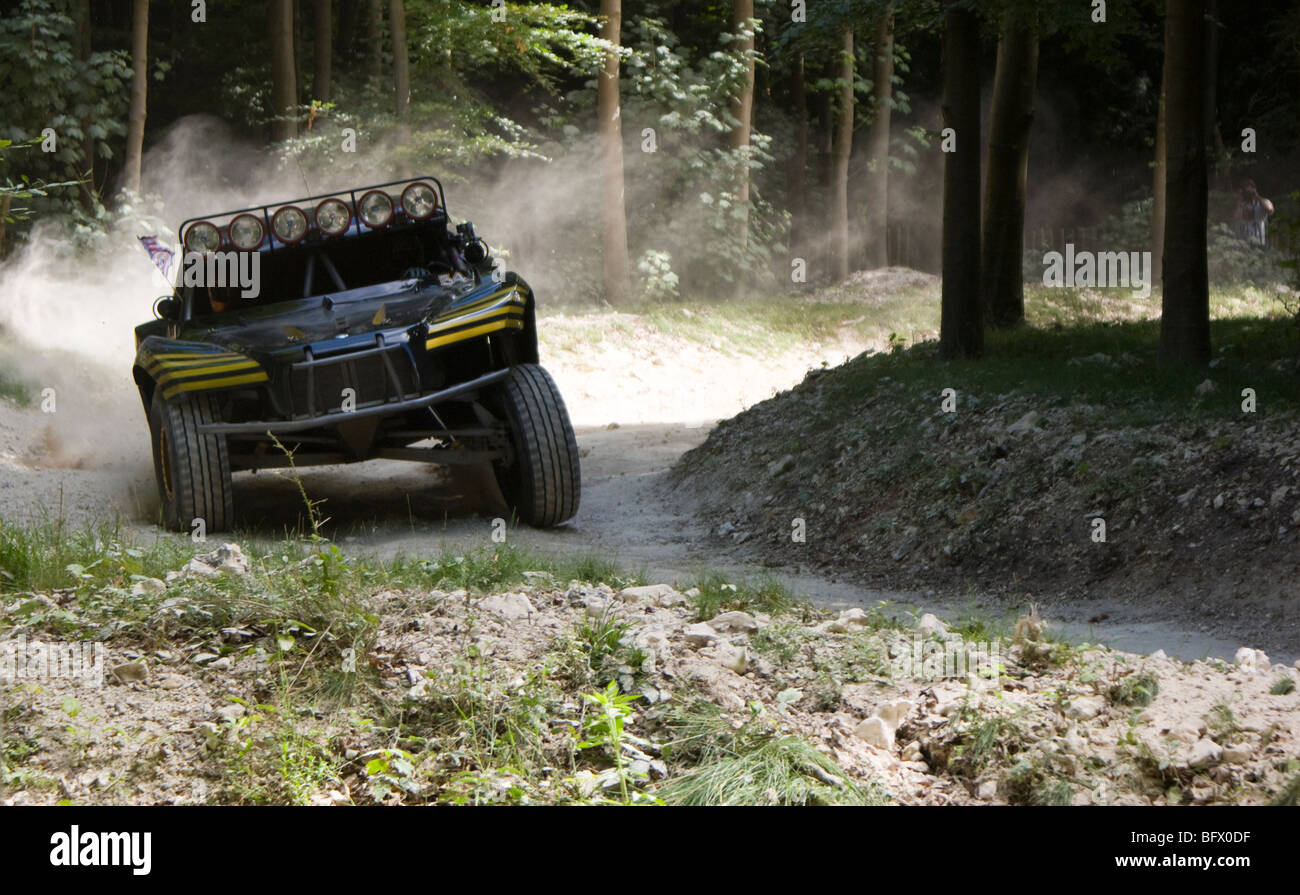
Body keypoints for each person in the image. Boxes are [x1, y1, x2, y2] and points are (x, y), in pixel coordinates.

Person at [1235, 180, 1274, 246]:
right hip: (1246, 241)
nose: (1247, 193)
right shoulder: (1243, 205)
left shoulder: (1263, 202)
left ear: (1254, 189)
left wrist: (1257, 196)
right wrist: (1239, 200)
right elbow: (1236, 217)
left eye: (1248, 189)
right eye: (1245, 190)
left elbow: (1269, 209)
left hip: (1261, 240)